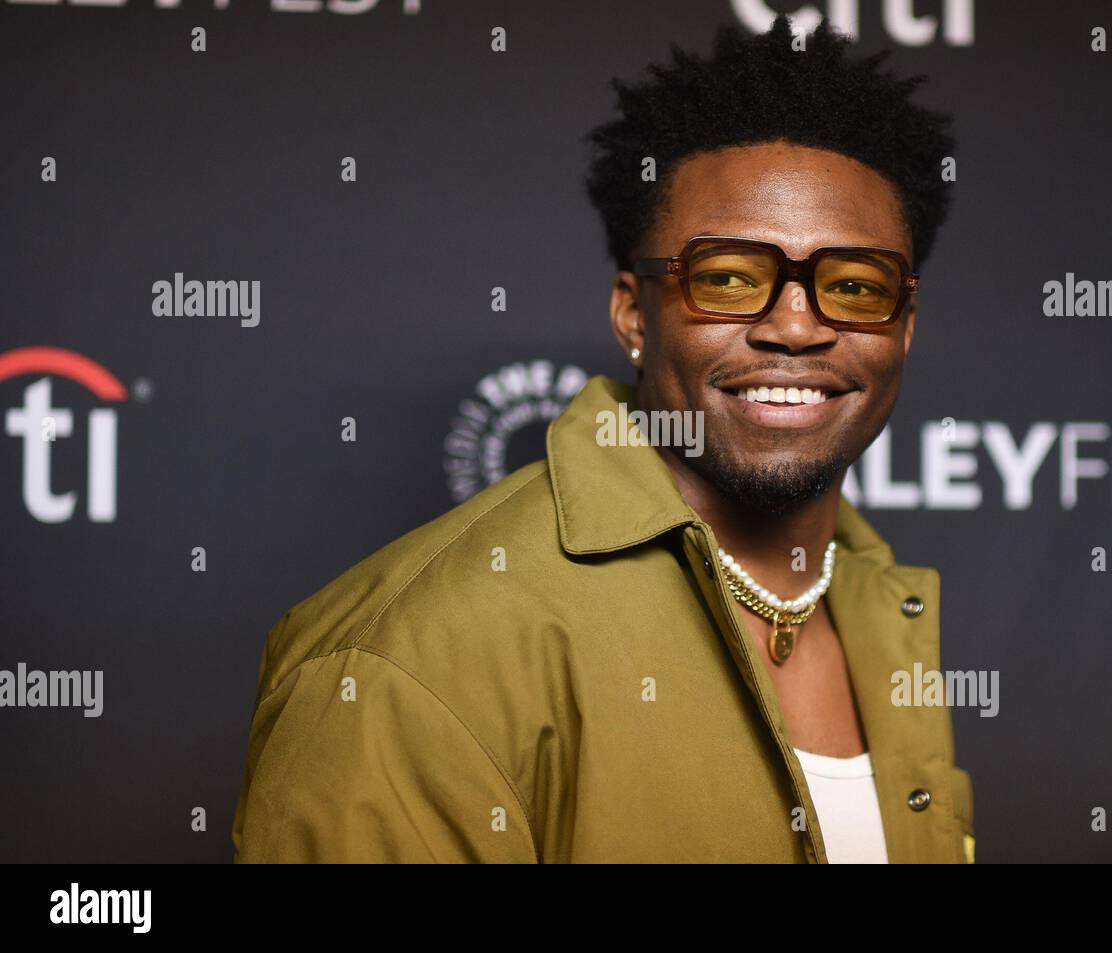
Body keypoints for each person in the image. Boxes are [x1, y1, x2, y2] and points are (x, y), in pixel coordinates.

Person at [233, 15, 973, 864]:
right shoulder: (406, 657)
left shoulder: (884, 609)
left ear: (904, 327)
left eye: (852, 284)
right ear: (633, 312)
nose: (795, 327)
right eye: (728, 277)